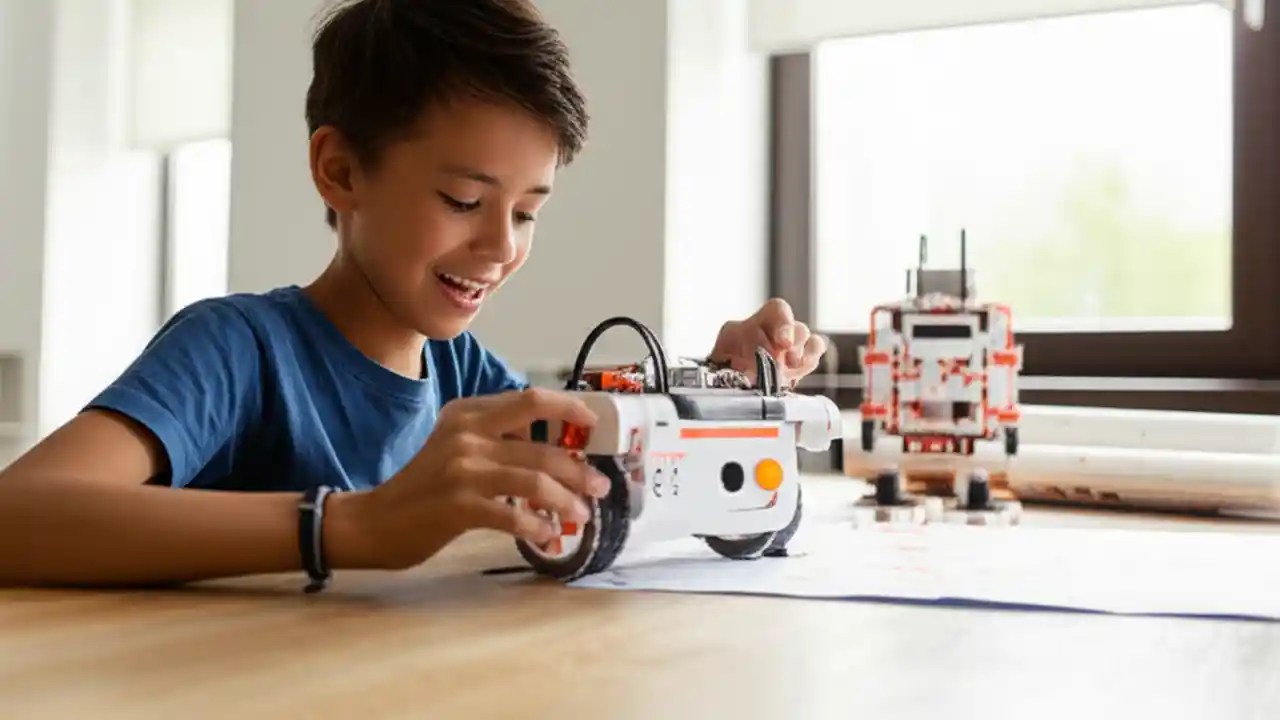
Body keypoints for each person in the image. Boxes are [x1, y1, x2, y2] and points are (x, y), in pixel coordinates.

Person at [0, 0, 827, 589]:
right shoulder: (238, 348)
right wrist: (352, 527)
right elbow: (19, 514)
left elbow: (600, 454)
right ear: (342, 170)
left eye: (528, 212)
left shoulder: (462, 373)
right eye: (463, 202)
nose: (501, 246)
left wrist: (712, 389)